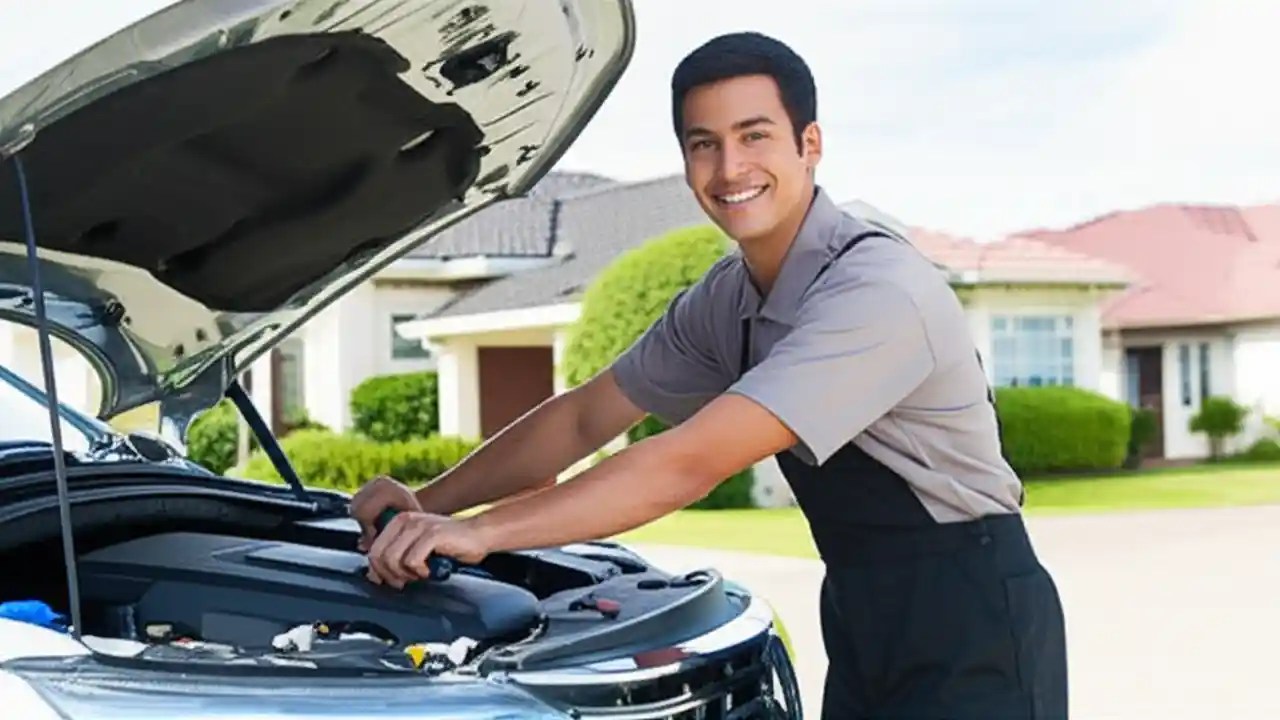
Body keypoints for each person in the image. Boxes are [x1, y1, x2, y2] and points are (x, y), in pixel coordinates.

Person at [350, 31, 1068, 719]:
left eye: (754, 136)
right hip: (862, 609)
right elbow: (582, 419)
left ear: (809, 145)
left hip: (974, 618)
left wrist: (480, 535)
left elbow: (687, 463)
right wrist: (427, 505)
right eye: (704, 144)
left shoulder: (877, 292)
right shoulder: (729, 298)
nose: (730, 169)